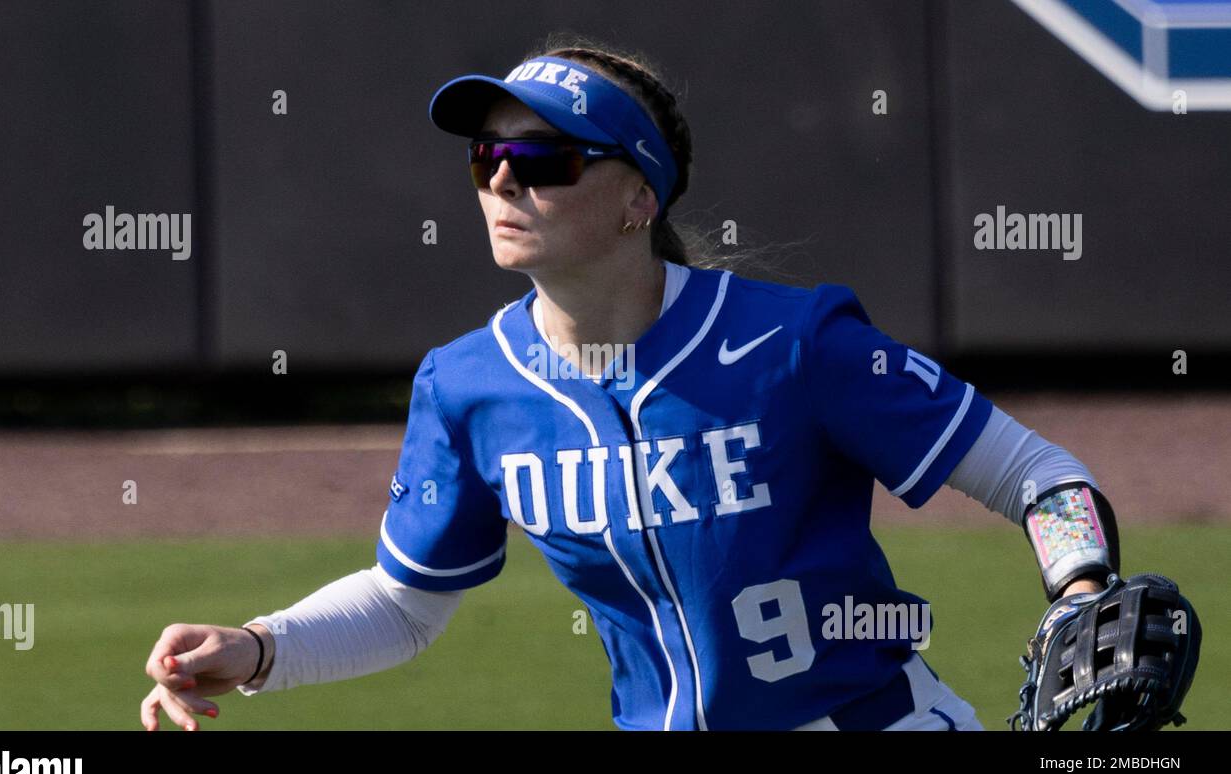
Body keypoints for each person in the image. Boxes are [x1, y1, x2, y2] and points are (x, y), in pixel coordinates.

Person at [142, 39, 1119, 732]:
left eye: (545, 160)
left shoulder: (795, 340)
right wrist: (259, 646)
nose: (503, 184)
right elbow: (405, 604)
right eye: (488, 157)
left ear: (636, 199)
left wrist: (1080, 587)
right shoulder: (467, 385)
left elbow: (1039, 473)